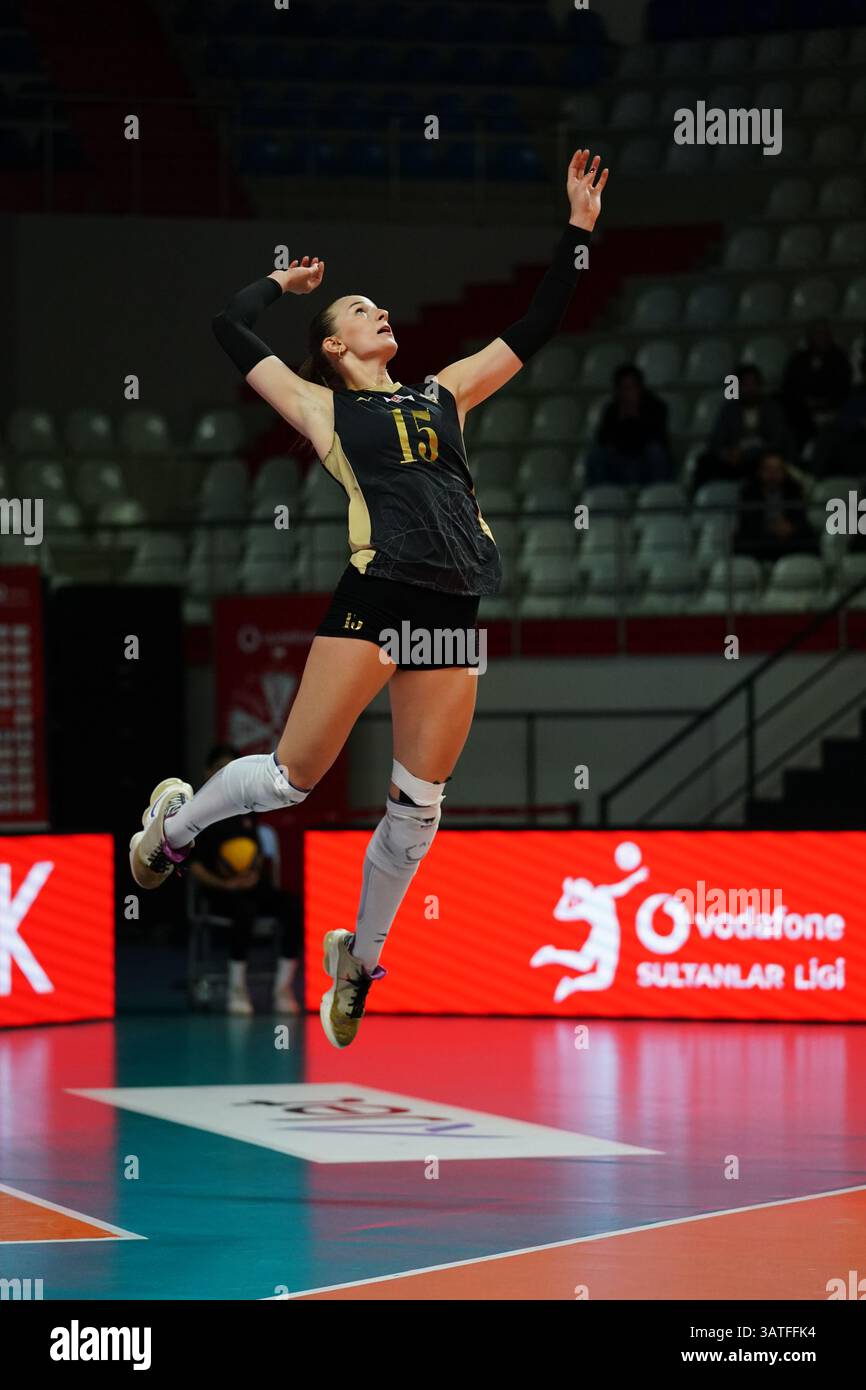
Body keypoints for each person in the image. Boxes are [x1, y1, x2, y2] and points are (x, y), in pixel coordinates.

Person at [129, 148, 609, 1049]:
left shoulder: (446, 395)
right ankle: (175, 824)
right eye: (359, 310)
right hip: (377, 598)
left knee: (418, 807)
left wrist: (577, 231)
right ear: (335, 347)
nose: (378, 311)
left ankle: (359, 960)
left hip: (453, 609)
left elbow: (541, 320)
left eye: (375, 306)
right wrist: (281, 279)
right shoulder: (321, 408)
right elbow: (229, 327)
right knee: (289, 779)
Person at [187, 744, 302, 1016]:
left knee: (293, 906)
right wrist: (226, 884)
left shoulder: (247, 808)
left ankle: (281, 987)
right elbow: (195, 866)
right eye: (219, 769)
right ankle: (237, 988)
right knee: (244, 910)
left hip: (251, 886)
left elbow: (257, 855)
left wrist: (252, 875)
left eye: (230, 769)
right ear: (208, 772)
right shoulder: (196, 812)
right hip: (219, 891)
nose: (224, 775)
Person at [691, 362, 795, 495]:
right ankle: (696, 503)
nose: (750, 388)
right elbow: (716, 439)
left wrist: (748, 452)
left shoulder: (772, 409)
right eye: (745, 384)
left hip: (758, 458)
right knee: (704, 462)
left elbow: (777, 441)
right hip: (733, 460)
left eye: (753, 384)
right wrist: (725, 453)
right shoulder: (729, 409)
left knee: (767, 463)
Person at [584, 363, 673, 488]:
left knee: (656, 454)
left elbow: (658, 438)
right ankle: (601, 494)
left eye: (630, 388)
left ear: (639, 388)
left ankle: (658, 493)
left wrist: (636, 418)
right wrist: (621, 420)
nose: (626, 393)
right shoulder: (612, 410)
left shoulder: (656, 407)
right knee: (596, 456)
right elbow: (602, 439)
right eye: (623, 388)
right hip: (619, 459)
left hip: (644, 458)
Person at [734, 449, 818, 564]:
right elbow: (747, 521)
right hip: (760, 537)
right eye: (768, 469)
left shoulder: (793, 489)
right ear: (760, 471)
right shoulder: (749, 492)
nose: (772, 474)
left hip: (788, 537)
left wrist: (790, 527)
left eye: (777, 470)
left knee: (809, 539)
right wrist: (770, 527)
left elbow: (800, 517)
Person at [781, 320, 852, 452]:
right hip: (803, 412)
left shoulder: (840, 359)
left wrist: (825, 403)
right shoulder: (798, 359)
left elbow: (843, 388)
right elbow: (789, 387)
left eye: (824, 334)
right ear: (810, 338)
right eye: (817, 334)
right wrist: (806, 402)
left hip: (833, 410)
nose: (820, 338)